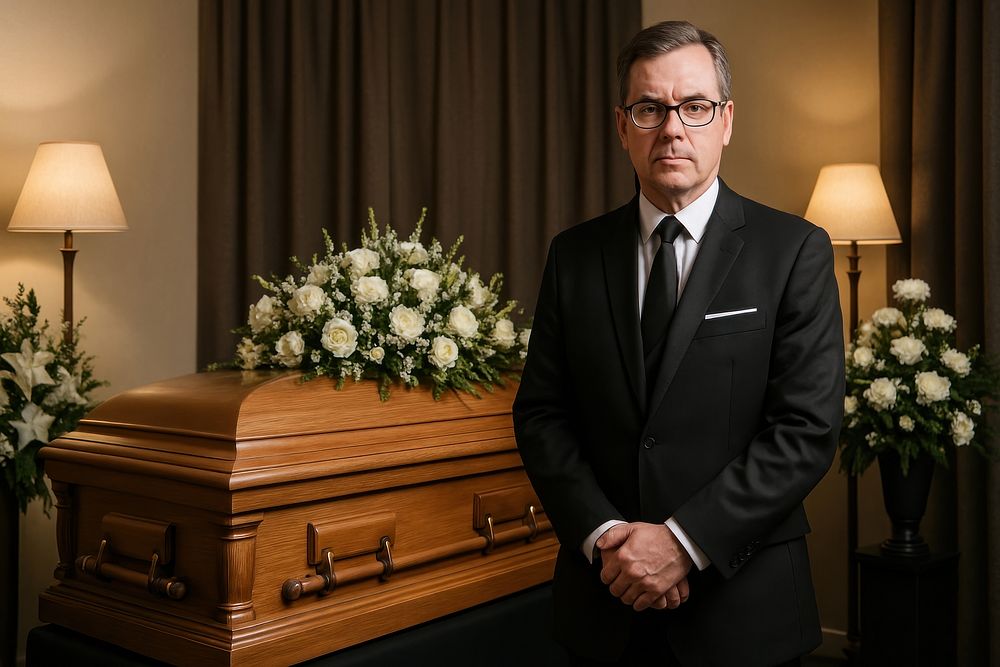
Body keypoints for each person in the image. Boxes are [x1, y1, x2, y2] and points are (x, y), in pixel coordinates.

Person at [512, 20, 844, 666]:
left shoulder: (794, 251)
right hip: (602, 611)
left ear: (725, 121)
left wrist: (683, 542)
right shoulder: (573, 257)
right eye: (649, 109)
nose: (671, 129)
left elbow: (806, 430)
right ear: (621, 125)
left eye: (693, 107)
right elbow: (541, 414)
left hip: (747, 614)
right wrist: (607, 539)